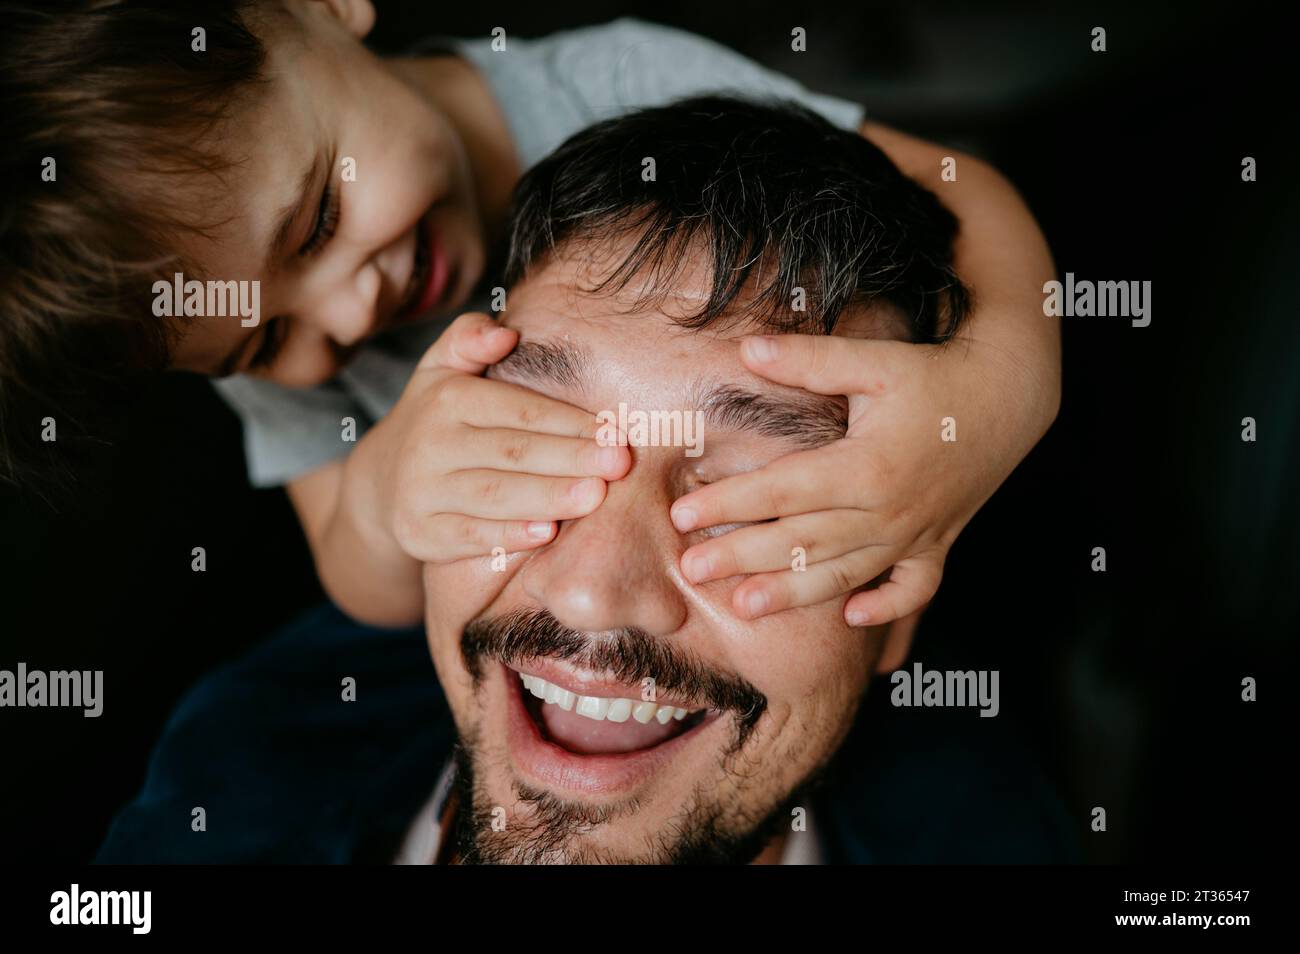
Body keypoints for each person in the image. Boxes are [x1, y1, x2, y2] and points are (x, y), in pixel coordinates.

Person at [96, 98, 1074, 864]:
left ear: (900, 598)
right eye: (531, 439)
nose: (592, 591)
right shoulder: (221, 783)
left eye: (760, 492)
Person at [3, 2, 1060, 634]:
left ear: (322, 6)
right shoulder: (257, 334)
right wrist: (376, 503)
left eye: (320, 218)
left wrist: (1001, 388)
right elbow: (359, 583)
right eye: (262, 342)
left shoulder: (624, 82)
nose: (344, 308)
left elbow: (952, 179)